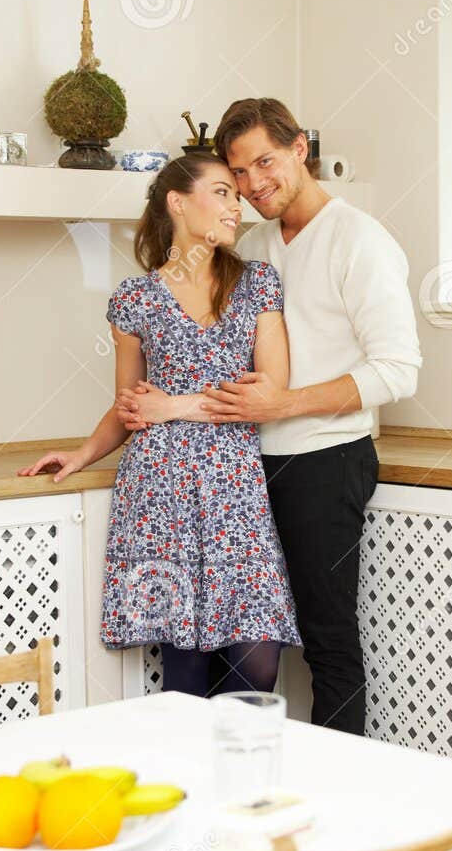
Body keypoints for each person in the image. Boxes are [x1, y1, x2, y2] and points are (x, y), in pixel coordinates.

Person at [18, 154, 299, 696]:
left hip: (235, 490)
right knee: (185, 667)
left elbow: (270, 391)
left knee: (258, 662)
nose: (236, 206)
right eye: (222, 192)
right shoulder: (135, 299)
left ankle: (233, 749)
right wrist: (81, 454)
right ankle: (193, 753)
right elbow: (129, 408)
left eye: (236, 195)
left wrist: (174, 406)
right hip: (161, 491)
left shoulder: (257, 284)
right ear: (178, 202)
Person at [197, 97, 422, 735]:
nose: (253, 184)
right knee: (241, 634)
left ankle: (339, 789)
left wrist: (284, 404)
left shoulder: (360, 240)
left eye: (265, 162)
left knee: (327, 640)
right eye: (239, 173)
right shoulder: (254, 245)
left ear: (301, 149)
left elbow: (398, 371)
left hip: (325, 460)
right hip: (245, 463)